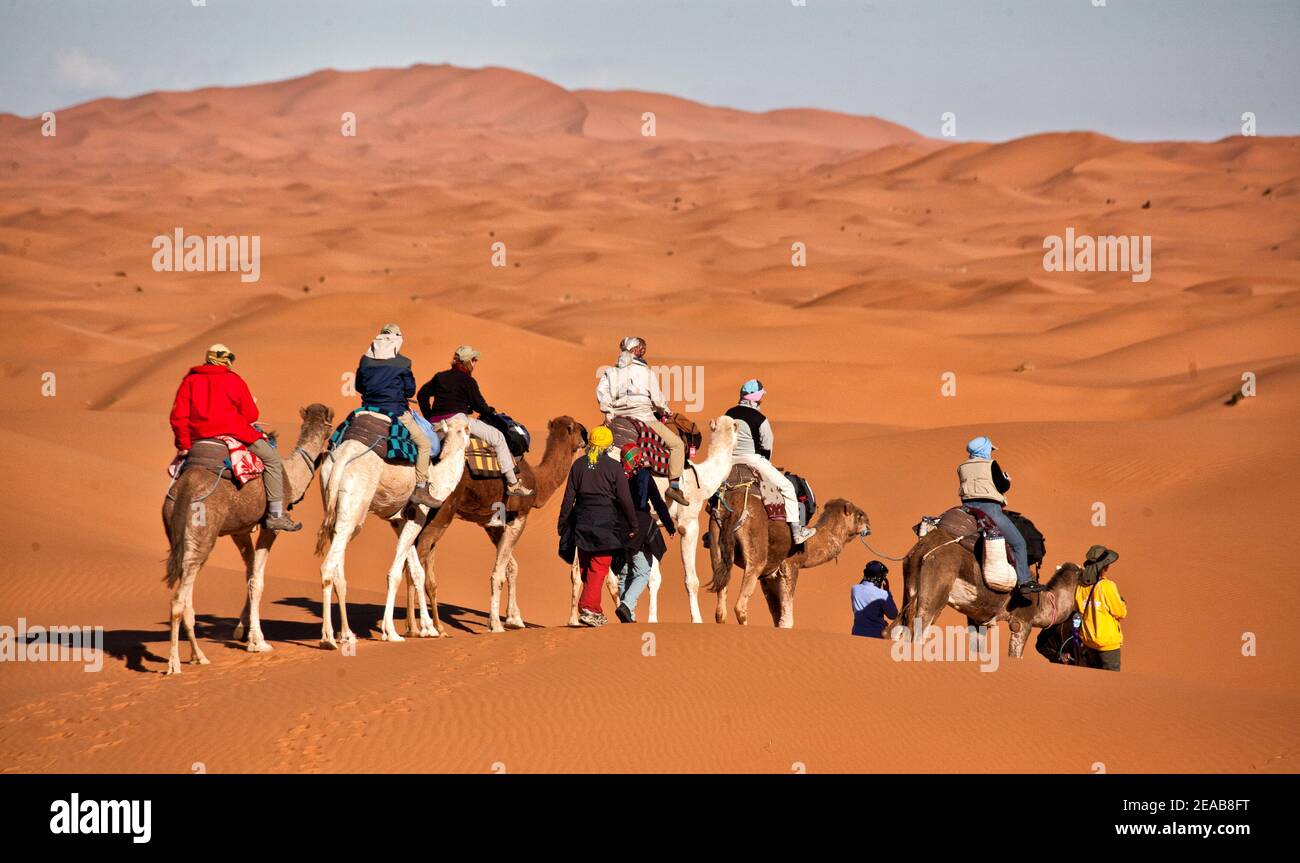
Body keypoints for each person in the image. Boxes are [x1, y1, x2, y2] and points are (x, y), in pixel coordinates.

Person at [168, 344, 300, 532]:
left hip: (198, 438)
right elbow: (251, 415)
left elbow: (178, 417)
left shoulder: (190, 381)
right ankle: (276, 515)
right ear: (227, 360)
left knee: (182, 470)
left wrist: (184, 445)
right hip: (235, 433)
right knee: (272, 460)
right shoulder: (234, 380)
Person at [417, 345, 532, 497]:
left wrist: (430, 417)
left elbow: (421, 395)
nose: (475, 362)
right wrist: (490, 411)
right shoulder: (468, 381)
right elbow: (480, 406)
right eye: (474, 360)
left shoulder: (440, 377)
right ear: (467, 362)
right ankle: (512, 483)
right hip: (458, 420)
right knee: (498, 437)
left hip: (436, 424)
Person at [556, 426, 637, 627]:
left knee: (587, 567)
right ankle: (589, 609)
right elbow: (625, 499)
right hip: (606, 524)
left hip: (582, 522)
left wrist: (563, 522)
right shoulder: (614, 467)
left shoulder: (578, 465)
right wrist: (633, 523)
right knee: (598, 568)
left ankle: (595, 610)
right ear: (608, 446)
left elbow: (568, 498)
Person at [596, 337, 688, 506]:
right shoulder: (647, 373)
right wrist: (666, 411)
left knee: (596, 443)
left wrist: (609, 414)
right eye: (641, 348)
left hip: (617, 418)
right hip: (645, 418)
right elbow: (658, 401)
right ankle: (674, 486)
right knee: (677, 445)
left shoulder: (610, 372)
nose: (643, 350)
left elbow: (602, 395)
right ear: (635, 350)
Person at [353, 324, 438, 507]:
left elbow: (359, 387)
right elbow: (410, 390)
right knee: (424, 444)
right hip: (396, 413)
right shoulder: (403, 363)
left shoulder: (365, 360)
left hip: (367, 410)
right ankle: (421, 487)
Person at [725, 379, 817, 545]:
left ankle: (711, 533)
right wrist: (764, 463)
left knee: (715, 493)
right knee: (787, 487)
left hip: (728, 460)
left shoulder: (727, 414)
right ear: (756, 398)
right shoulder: (760, 418)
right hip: (753, 459)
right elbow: (767, 445)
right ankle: (797, 532)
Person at [957, 436, 1041, 596]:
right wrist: (1007, 480)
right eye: (989, 449)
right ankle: (1024, 581)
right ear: (985, 450)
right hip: (989, 509)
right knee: (1018, 544)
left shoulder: (962, 467)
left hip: (966, 508)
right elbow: (1001, 485)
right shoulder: (991, 464)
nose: (990, 452)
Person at [613, 443, 676, 623]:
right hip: (638, 527)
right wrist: (669, 526)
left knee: (625, 573)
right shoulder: (644, 476)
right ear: (638, 458)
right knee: (642, 572)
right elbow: (658, 503)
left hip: (618, 528)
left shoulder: (616, 476)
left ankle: (628, 616)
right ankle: (626, 604)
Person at [1075, 545, 1126, 671]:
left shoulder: (1080, 586)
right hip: (1108, 645)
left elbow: (1079, 608)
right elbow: (1121, 612)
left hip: (1089, 643)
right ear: (1104, 566)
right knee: (1112, 683)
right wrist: (1123, 603)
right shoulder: (1107, 586)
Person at [851, 561, 898, 638]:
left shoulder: (854, 589)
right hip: (875, 636)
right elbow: (893, 615)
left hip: (856, 635)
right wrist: (888, 593)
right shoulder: (882, 594)